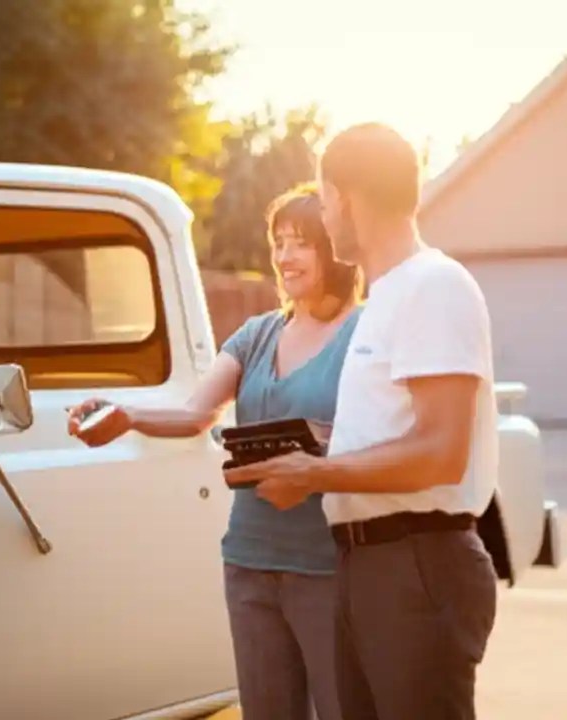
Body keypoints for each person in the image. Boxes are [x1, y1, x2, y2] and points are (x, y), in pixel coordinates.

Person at [224, 123, 500, 719]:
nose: (324, 219)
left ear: (347, 198)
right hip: (361, 563)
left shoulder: (435, 284)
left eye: (323, 202)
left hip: (418, 564)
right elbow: (389, 436)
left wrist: (311, 474)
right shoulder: (384, 301)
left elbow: (441, 450)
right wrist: (311, 461)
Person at [67, 184, 363, 720]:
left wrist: (325, 444)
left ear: (333, 249)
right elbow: (195, 414)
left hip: (327, 565)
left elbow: (380, 434)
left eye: (301, 243)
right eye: (278, 242)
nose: (285, 256)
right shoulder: (256, 334)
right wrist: (127, 413)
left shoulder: (366, 333)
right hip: (249, 560)